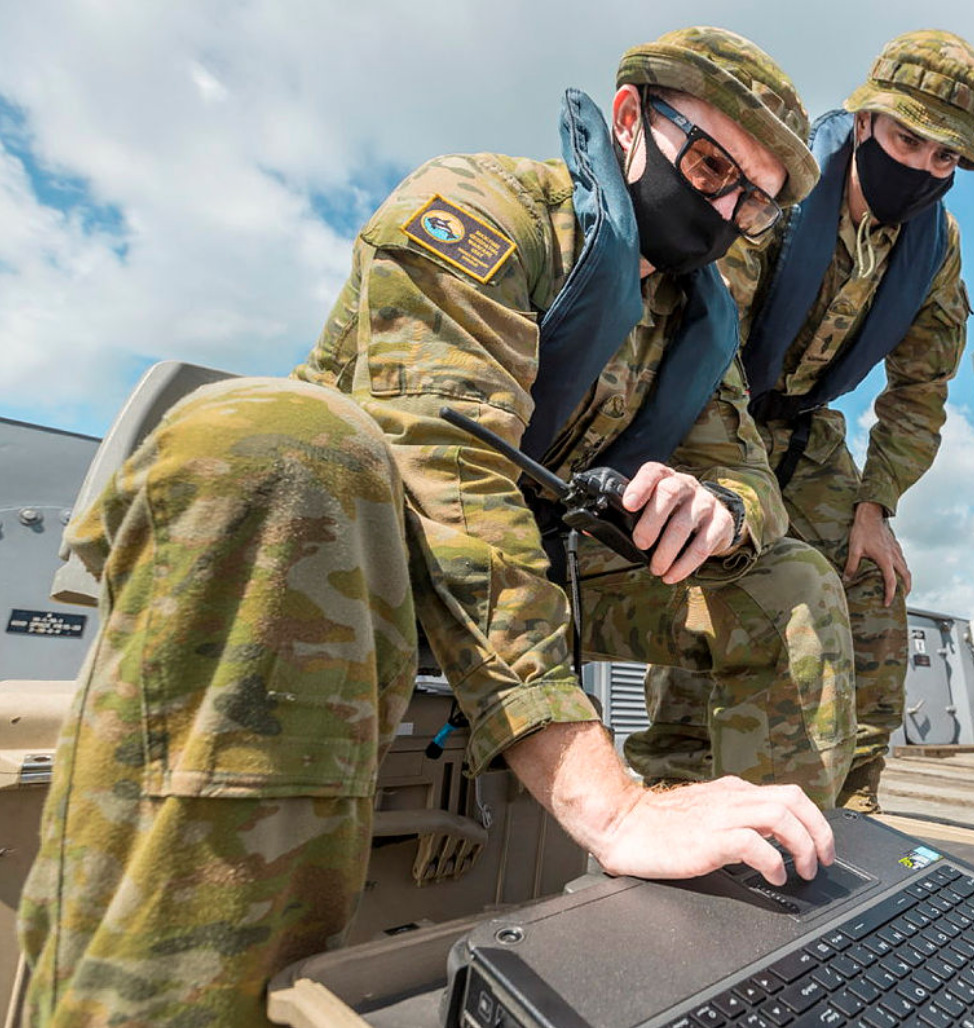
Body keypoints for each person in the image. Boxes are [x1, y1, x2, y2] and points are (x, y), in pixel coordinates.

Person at [19, 27, 857, 1026]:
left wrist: (721, 514)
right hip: (348, 559)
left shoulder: (695, 324)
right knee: (288, 441)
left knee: (788, 578)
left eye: (753, 198)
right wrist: (611, 801)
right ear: (629, 121)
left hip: (539, 574)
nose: (725, 211)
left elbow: (753, 479)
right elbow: (448, 479)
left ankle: (740, 927)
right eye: (713, 165)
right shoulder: (480, 211)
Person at [628, 30, 974, 812]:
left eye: (945, 159)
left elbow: (920, 388)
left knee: (874, 589)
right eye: (907, 141)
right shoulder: (779, 188)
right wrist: (733, 486)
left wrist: (874, 506)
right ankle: (672, 791)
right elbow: (705, 322)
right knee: (712, 578)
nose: (924, 168)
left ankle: (848, 812)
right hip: (706, 400)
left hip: (807, 425)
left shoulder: (936, 249)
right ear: (864, 124)